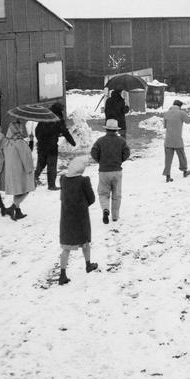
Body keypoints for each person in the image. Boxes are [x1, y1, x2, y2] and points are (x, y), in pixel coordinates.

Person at [57, 155, 98, 285]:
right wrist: (82, 204)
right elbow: (91, 199)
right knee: (85, 242)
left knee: (66, 248)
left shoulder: (63, 179)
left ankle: (62, 274)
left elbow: (61, 197)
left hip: (66, 218)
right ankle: (88, 265)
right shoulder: (84, 180)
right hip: (81, 217)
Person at [90, 119, 130, 224]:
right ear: (116, 130)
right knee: (117, 194)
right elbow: (127, 153)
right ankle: (115, 216)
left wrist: (100, 161)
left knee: (103, 193)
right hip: (117, 171)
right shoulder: (121, 141)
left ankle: (105, 209)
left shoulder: (100, 141)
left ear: (106, 129)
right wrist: (120, 160)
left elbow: (93, 152)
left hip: (103, 171)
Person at [34, 102, 76, 190]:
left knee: (41, 164)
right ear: (59, 110)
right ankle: (51, 185)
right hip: (51, 146)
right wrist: (72, 142)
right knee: (52, 166)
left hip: (41, 145)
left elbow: (37, 130)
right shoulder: (58, 118)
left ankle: (33, 178)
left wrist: (40, 140)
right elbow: (65, 131)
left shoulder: (45, 116)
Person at [0, 119, 35, 221]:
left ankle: (18, 212)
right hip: (21, 170)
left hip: (10, 171)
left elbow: (1, 155)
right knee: (26, 189)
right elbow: (27, 156)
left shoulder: (6, 141)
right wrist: (32, 141)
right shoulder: (20, 142)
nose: (22, 128)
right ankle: (13, 207)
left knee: (18, 191)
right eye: (20, 127)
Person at [162, 100, 190, 182]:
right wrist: (185, 113)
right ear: (180, 106)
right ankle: (185, 171)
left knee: (168, 159)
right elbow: (188, 121)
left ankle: (167, 176)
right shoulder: (181, 113)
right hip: (177, 140)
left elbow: (164, 126)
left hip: (168, 140)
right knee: (182, 156)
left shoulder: (166, 113)